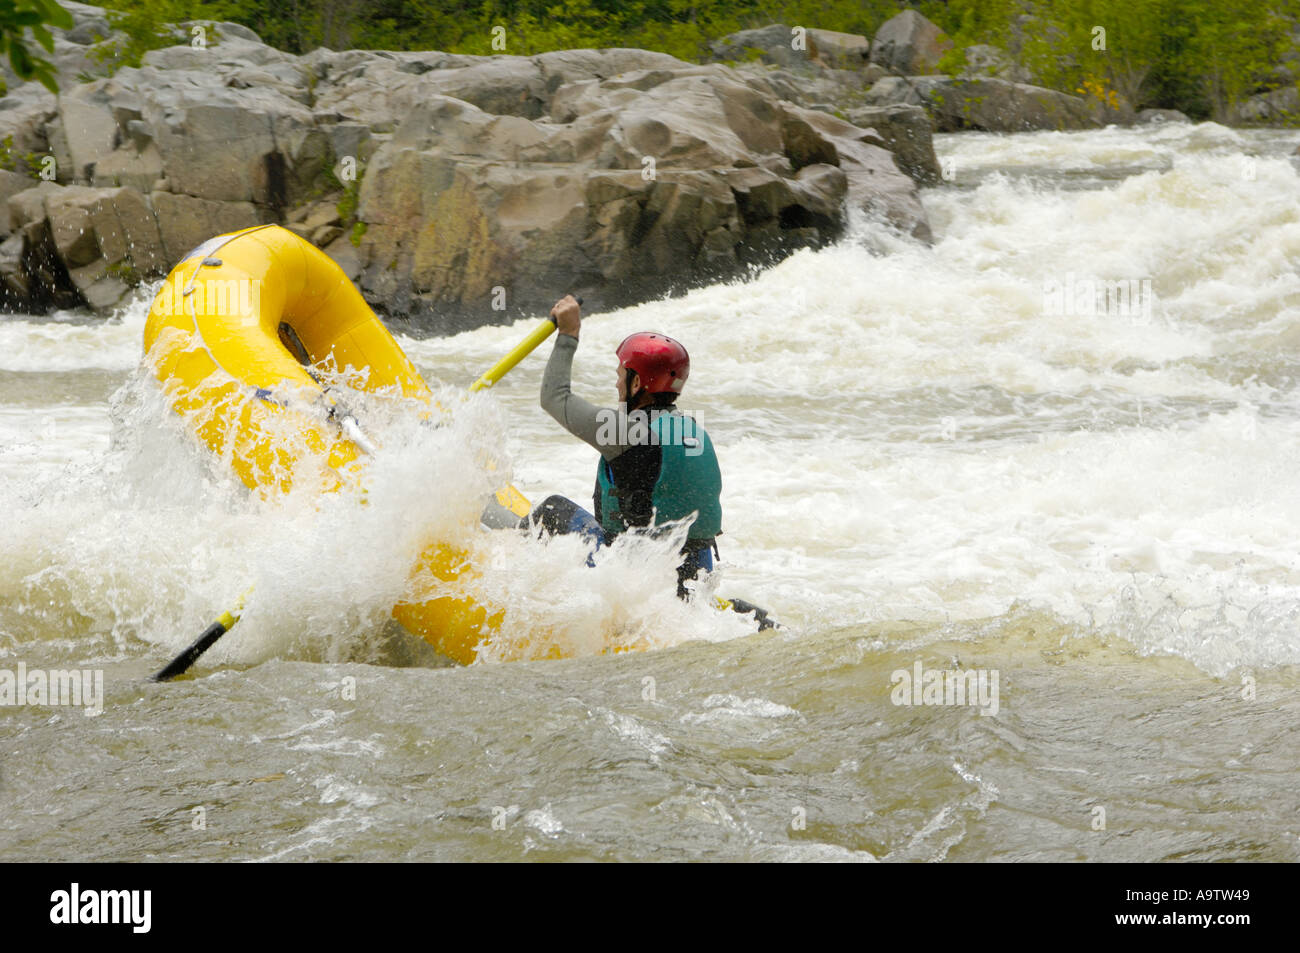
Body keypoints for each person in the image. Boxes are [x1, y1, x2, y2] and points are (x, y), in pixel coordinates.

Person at [526, 294, 722, 597]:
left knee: (552, 508)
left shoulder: (627, 432)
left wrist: (568, 334)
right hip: (695, 577)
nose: (617, 384)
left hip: (635, 578)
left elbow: (554, 398)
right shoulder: (694, 429)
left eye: (621, 375)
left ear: (636, 384)